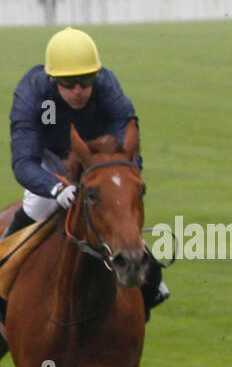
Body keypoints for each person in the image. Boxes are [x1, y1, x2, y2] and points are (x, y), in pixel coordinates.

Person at [6, 27, 168, 312]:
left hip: (97, 158)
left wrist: (128, 172)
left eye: (85, 80)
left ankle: (151, 282)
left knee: (117, 206)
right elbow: (24, 162)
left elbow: (126, 132)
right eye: (68, 83)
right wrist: (57, 188)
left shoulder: (107, 85)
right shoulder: (32, 92)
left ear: (97, 75)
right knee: (36, 208)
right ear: (53, 79)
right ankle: (5, 269)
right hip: (48, 160)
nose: (78, 90)